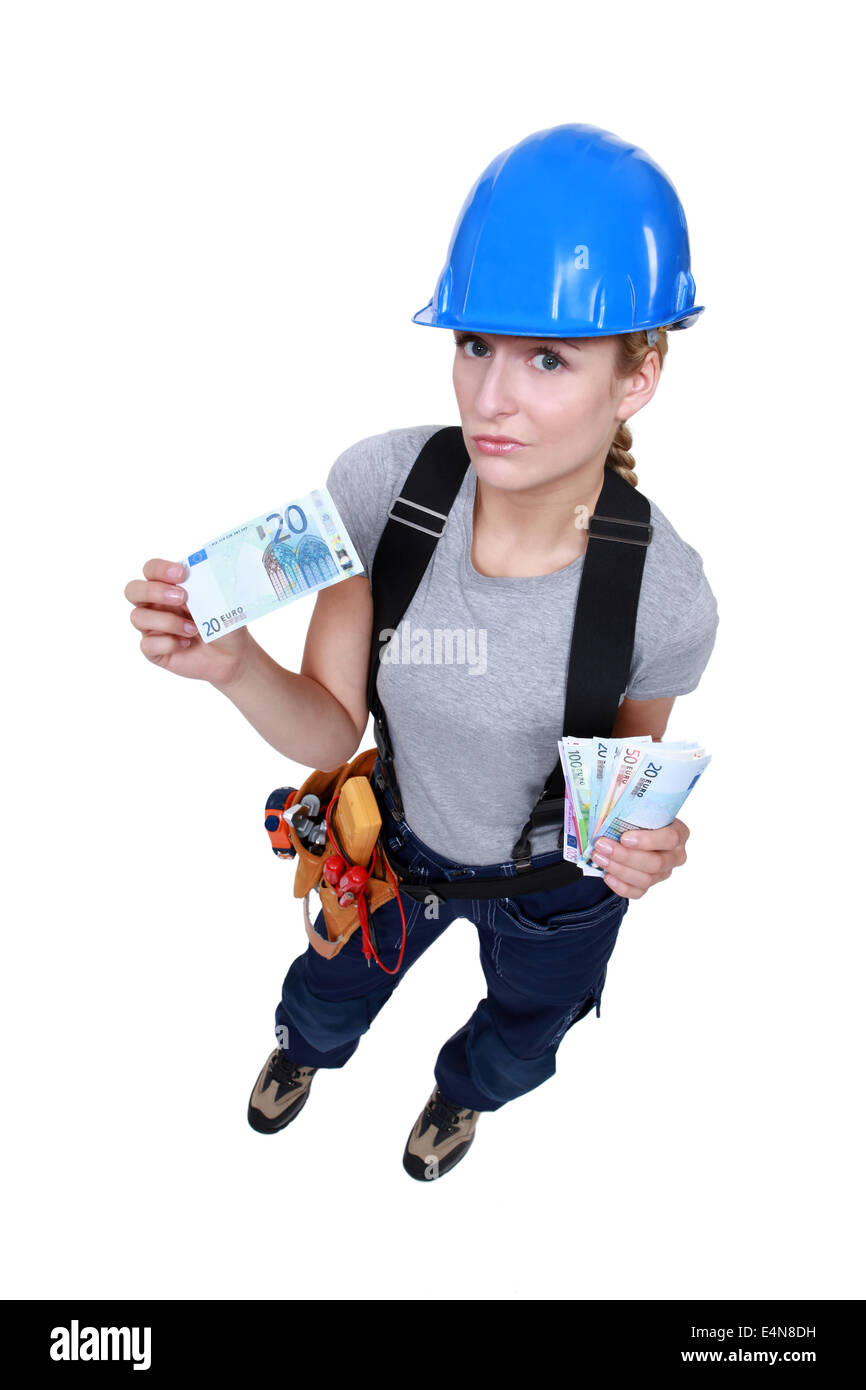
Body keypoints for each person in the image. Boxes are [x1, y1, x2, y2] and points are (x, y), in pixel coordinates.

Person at [124, 123, 718, 1182]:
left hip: (550, 889)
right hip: (395, 841)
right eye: (474, 343)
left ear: (637, 376)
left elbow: (620, 801)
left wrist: (646, 848)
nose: (492, 396)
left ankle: (463, 1092)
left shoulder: (662, 594)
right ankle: (306, 1052)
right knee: (325, 984)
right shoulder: (384, 490)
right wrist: (231, 664)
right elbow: (327, 721)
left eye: (547, 357)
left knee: (524, 1028)